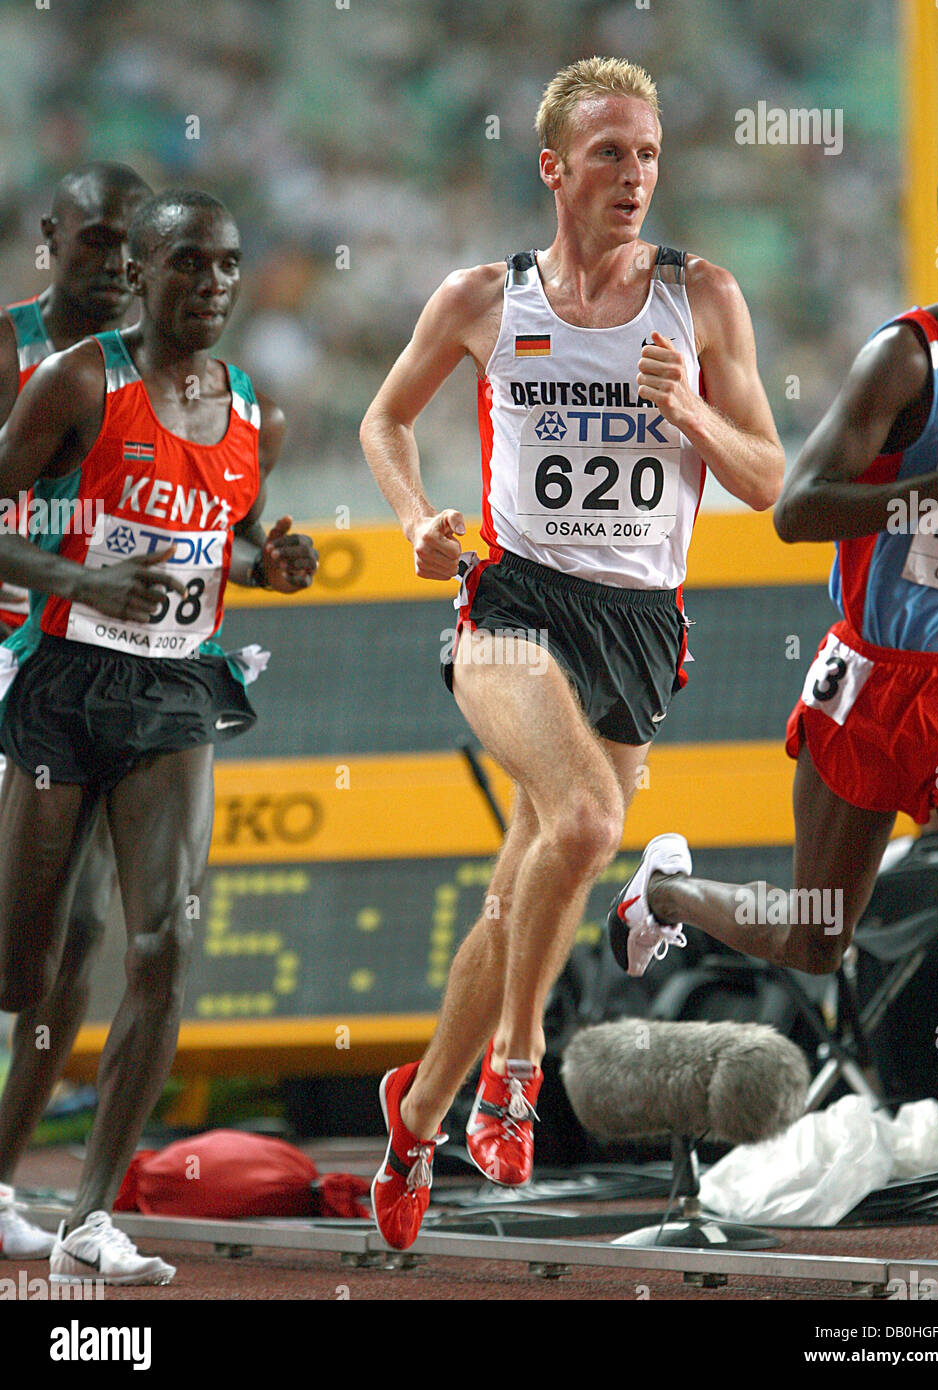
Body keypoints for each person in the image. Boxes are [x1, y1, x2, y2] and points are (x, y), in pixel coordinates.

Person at [360, 56, 784, 1250]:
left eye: (648, 154)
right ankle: (514, 1066)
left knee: (520, 893)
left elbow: (768, 481)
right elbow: (383, 418)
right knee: (589, 828)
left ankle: (417, 1110)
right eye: (609, 153)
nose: (634, 176)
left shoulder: (700, 300)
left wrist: (689, 411)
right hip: (513, 603)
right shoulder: (483, 299)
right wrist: (413, 520)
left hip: (640, 623)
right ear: (552, 167)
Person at [0, 189, 316, 1284]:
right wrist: (78, 578)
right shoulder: (79, 379)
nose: (215, 286)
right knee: (26, 966)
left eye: (230, 267)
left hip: (175, 690)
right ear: (144, 271)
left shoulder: (254, 412)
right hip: (62, 683)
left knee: (163, 941)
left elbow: (223, 530)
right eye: (191, 265)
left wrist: (267, 564)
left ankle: (88, 1213)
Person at [612, 145, 938, 983]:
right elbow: (795, 510)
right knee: (814, 941)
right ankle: (665, 894)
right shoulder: (904, 360)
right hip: (872, 687)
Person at [0, 162, 152, 1263]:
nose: (114, 265)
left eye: (132, 247)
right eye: (94, 241)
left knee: (86, 929)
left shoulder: (151, 377)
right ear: (51, 236)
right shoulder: (10, 353)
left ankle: (3, 1174)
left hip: (74, 672)